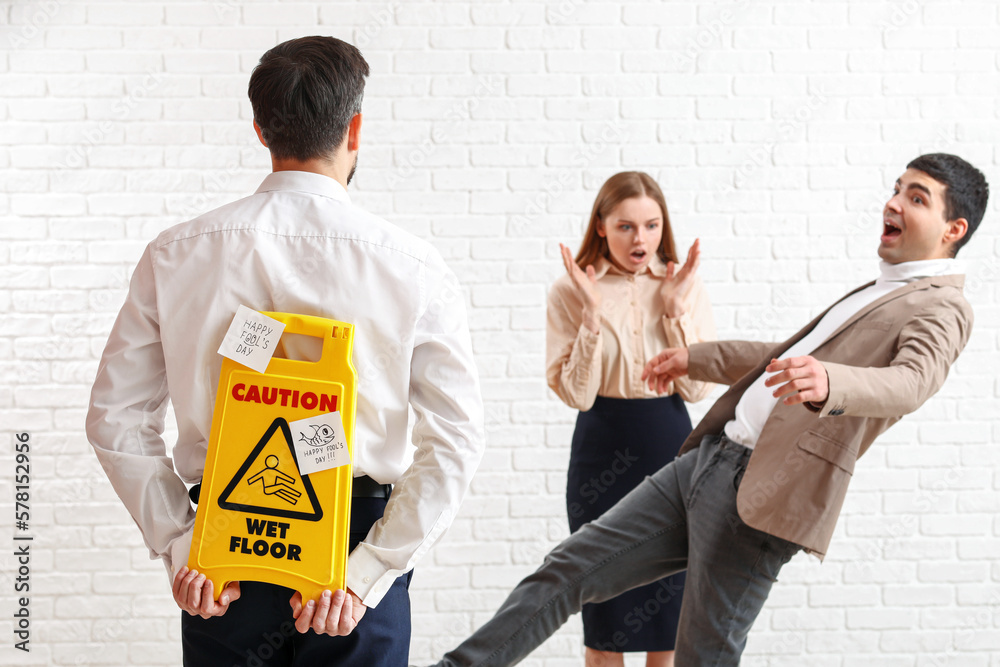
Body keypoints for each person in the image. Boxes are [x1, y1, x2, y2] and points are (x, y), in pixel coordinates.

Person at [430, 153, 987, 667]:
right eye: (896, 189)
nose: (893, 202)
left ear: (952, 229)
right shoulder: (879, 288)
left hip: (760, 492)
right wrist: (692, 358)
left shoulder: (943, 305)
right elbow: (780, 359)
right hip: (705, 462)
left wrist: (830, 381)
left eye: (916, 197)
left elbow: (912, 382)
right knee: (568, 569)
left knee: (700, 654)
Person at [86, 36, 485, 667]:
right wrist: (368, 570)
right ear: (355, 128)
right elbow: (455, 441)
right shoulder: (413, 267)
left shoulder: (176, 253)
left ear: (259, 128)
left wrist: (183, 542)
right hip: (352, 557)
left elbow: (115, 416)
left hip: (226, 554)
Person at [546, 172, 715, 667]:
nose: (640, 240)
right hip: (601, 449)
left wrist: (675, 313)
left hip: (670, 447)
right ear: (600, 226)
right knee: (605, 614)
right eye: (625, 227)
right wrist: (591, 315)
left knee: (668, 619)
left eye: (651, 225)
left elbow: (698, 388)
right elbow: (577, 395)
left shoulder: (682, 285)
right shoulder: (570, 289)